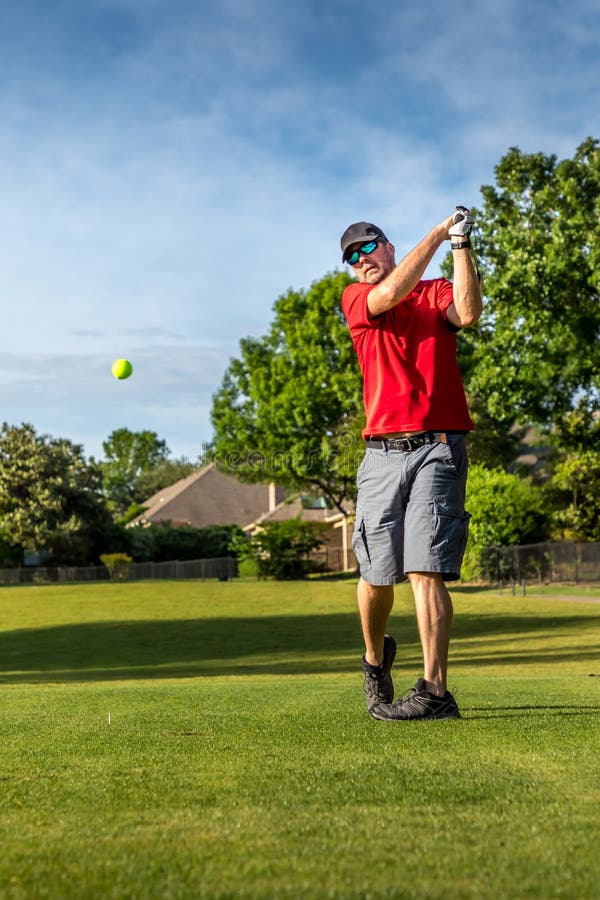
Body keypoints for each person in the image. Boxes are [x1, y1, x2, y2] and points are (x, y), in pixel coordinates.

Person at [340, 208, 482, 720]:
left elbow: (466, 314)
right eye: (352, 256)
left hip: (439, 448)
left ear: (388, 246)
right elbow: (387, 295)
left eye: (368, 247)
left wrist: (461, 243)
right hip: (381, 455)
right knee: (377, 576)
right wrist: (437, 234)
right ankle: (376, 662)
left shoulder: (435, 290)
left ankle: (435, 693)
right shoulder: (357, 298)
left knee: (426, 570)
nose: (361, 260)